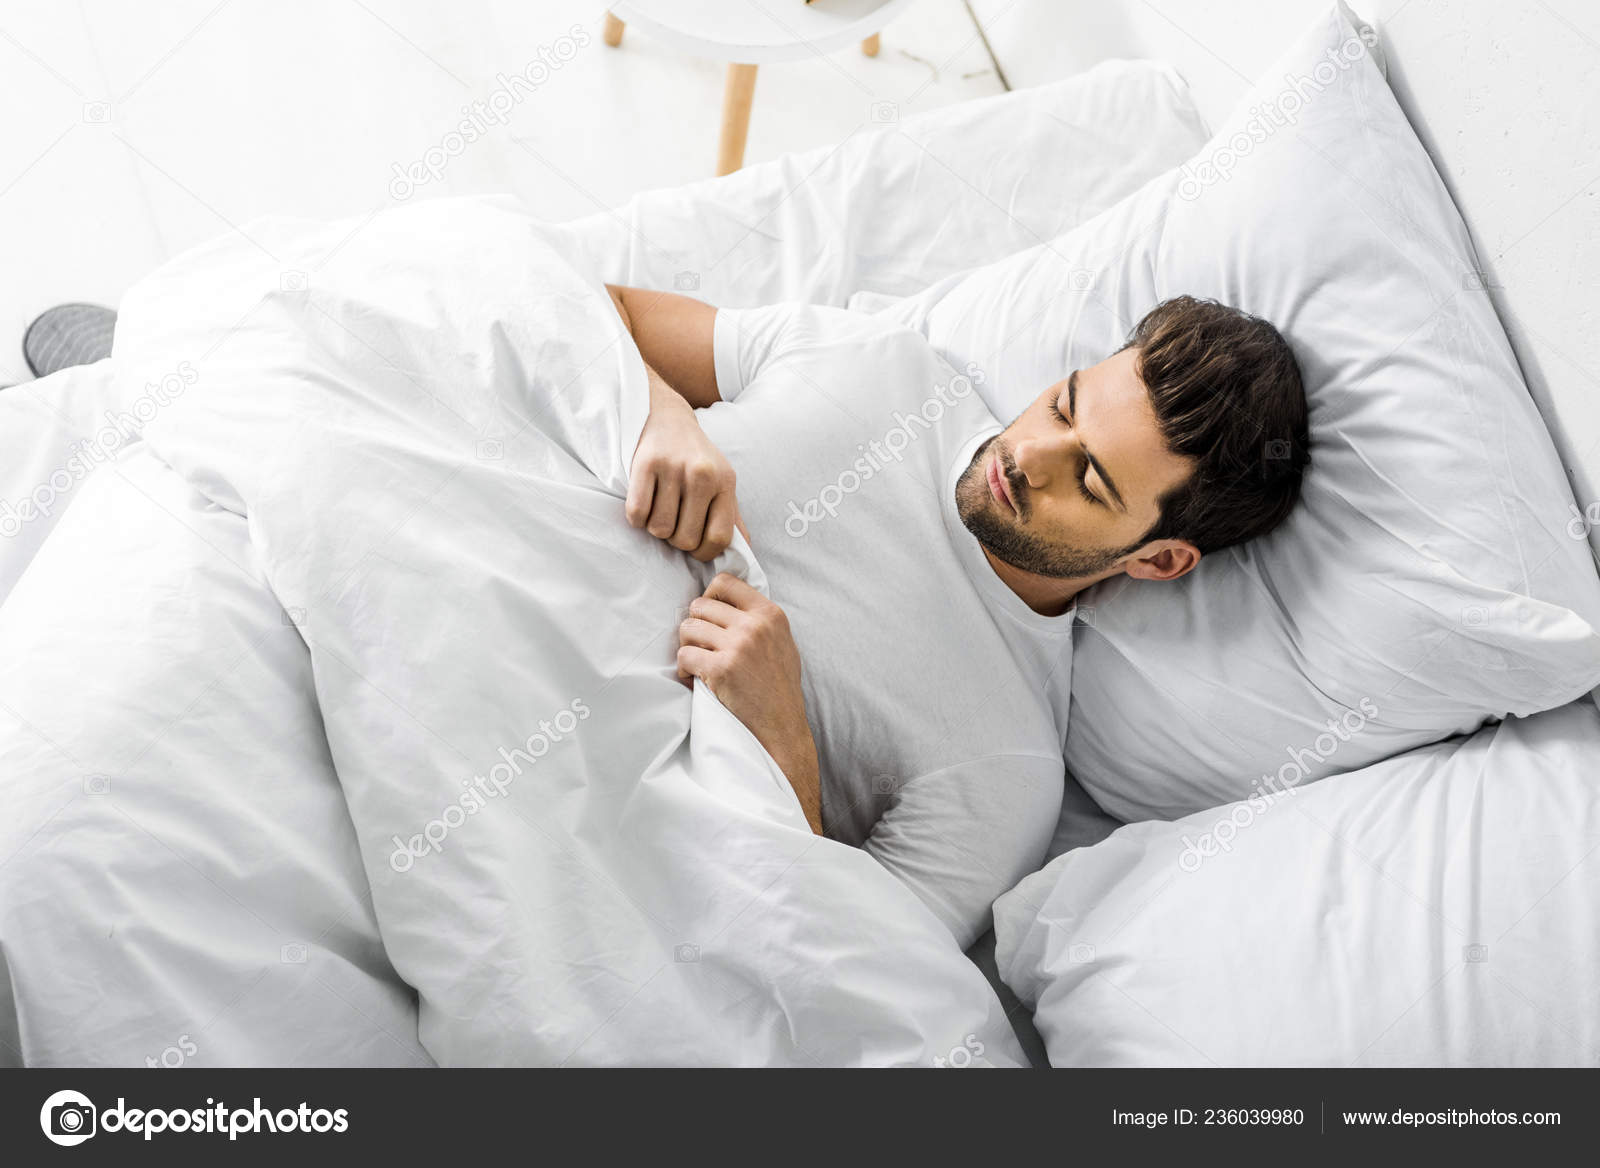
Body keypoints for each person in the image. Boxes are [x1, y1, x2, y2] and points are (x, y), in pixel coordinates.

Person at [607, 285, 1310, 946]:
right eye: (1063, 407)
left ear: (1157, 561)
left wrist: (780, 740)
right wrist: (663, 418)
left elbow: (835, 975)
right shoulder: (879, 365)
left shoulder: (1006, 774)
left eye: (1089, 479)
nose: (1029, 454)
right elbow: (599, 314)